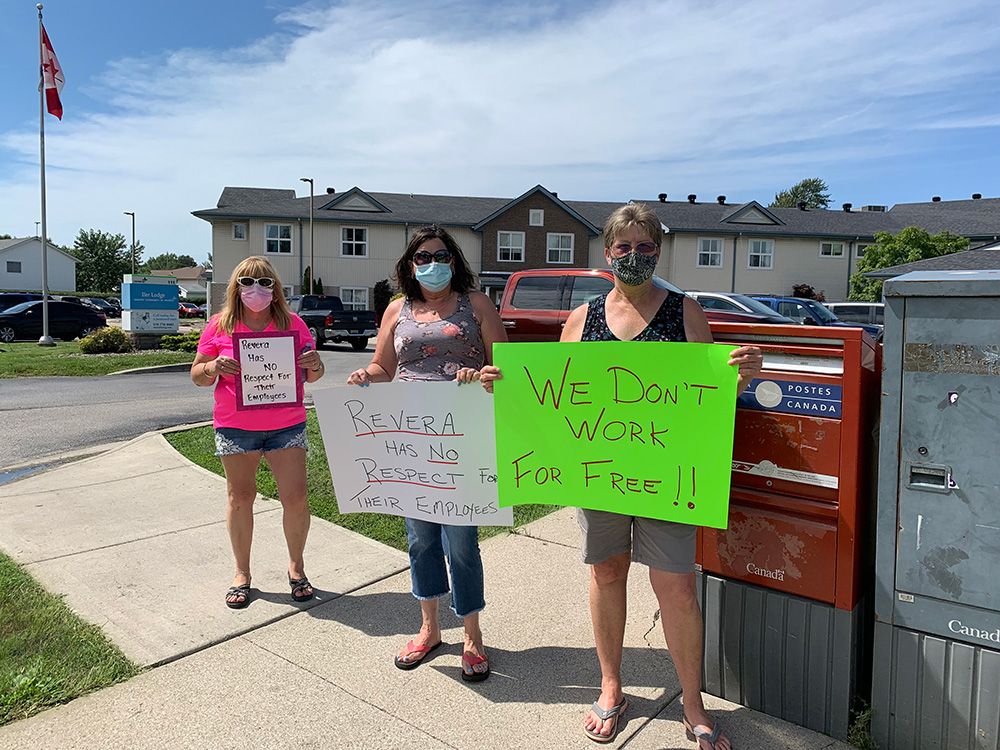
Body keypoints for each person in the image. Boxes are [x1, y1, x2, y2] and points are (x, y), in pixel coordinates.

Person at [481, 204, 762, 747]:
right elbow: (553, 399)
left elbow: (709, 396)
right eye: (624, 247)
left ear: (659, 251)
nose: (635, 256)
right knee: (607, 572)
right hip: (598, 475)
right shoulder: (582, 319)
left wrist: (742, 377)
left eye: (646, 247)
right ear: (607, 252)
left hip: (668, 476)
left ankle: (693, 703)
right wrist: (506, 386)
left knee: (675, 586)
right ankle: (611, 685)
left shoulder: (685, 312)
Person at [347, 225, 507, 681]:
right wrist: (366, 375)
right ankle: (429, 628)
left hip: (462, 436)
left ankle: (472, 633)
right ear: (410, 265)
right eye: (422, 257)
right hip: (410, 440)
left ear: (453, 261)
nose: (432, 264)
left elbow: (505, 364)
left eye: (440, 256)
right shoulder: (397, 309)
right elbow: (384, 366)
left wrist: (485, 376)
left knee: (461, 541)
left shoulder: (476, 304)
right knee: (420, 539)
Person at [191, 256, 326, 609]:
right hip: (236, 427)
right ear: (236, 287)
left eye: (265, 283)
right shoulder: (219, 326)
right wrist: (212, 366)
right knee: (240, 498)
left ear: (275, 289)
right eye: (247, 282)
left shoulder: (293, 324)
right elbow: (197, 375)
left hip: (286, 425)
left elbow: (313, 373)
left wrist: (316, 364)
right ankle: (242, 573)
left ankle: (296, 568)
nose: (256, 289)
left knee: (296, 499)